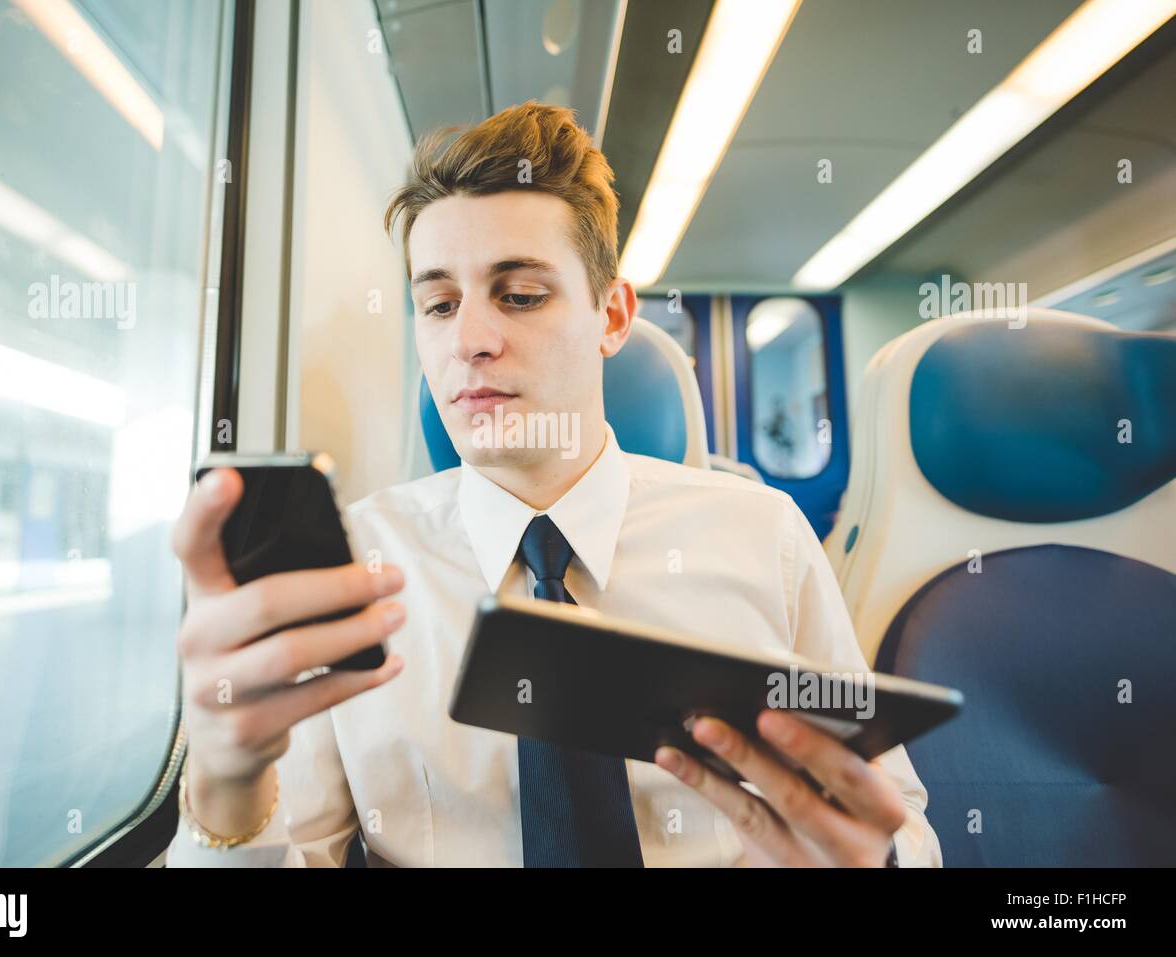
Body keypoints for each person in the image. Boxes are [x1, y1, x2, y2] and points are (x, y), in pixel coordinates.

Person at [166, 101, 940, 867]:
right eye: (438, 304)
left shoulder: (763, 536)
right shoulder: (353, 568)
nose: (468, 340)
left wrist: (876, 862)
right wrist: (226, 793)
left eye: (520, 295)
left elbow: (897, 820)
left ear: (611, 315)